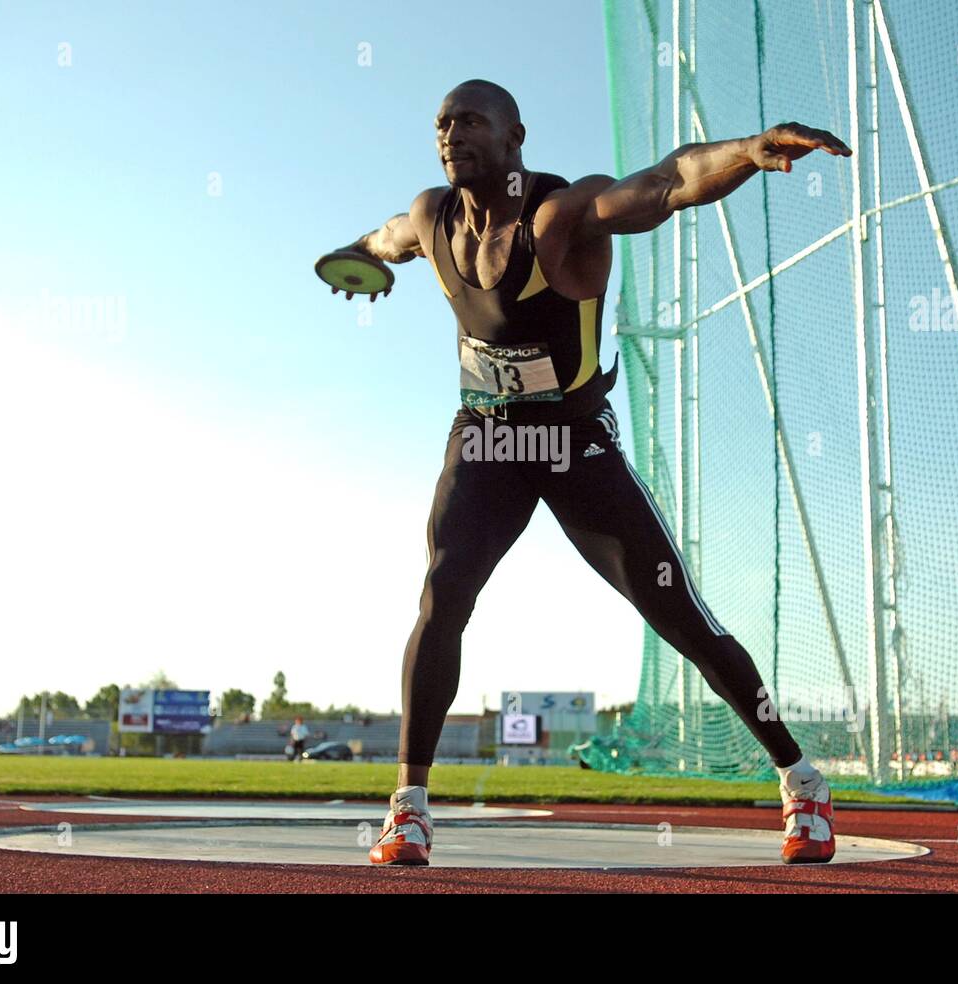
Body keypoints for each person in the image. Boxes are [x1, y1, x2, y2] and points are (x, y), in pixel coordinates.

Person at [330, 80, 850, 866]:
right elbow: (390, 237)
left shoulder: (558, 215)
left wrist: (745, 152)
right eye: (442, 122)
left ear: (515, 137)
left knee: (684, 620)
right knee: (443, 594)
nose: (451, 133)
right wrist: (358, 256)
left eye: (470, 120)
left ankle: (801, 778)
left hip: (573, 443)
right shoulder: (433, 215)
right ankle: (409, 807)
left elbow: (666, 184)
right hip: (487, 440)